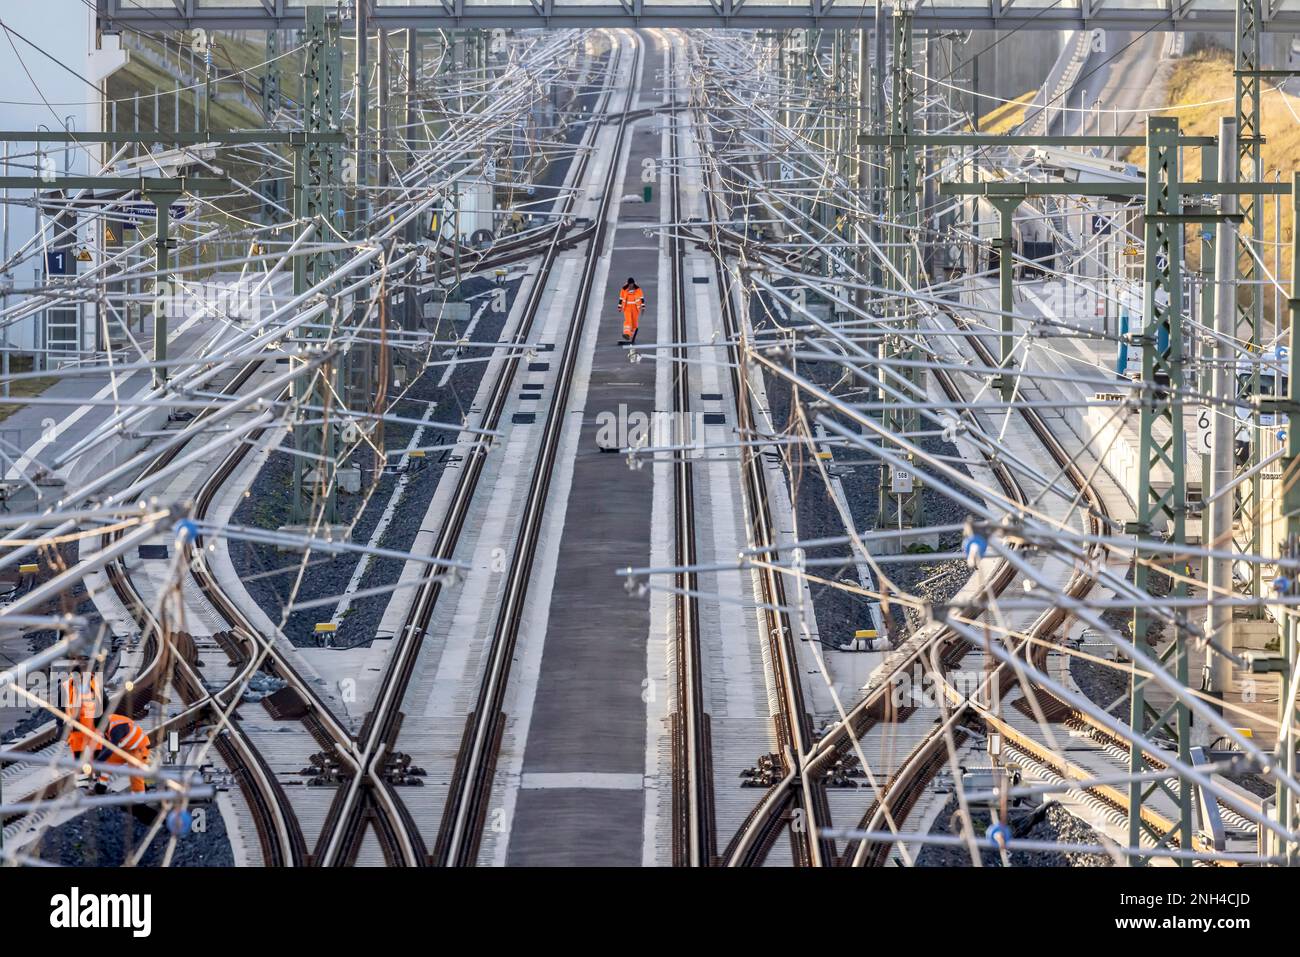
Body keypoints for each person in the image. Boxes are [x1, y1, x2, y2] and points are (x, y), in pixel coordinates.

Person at [92, 714, 151, 795]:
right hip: (125, 747)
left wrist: (97, 761)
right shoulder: (107, 723)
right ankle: (102, 785)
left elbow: (110, 748)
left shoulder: (117, 728)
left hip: (138, 748)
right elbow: (105, 745)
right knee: (108, 762)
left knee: (135, 775)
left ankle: (139, 802)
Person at [61, 656, 101, 764]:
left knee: (96, 758)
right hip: (78, 730)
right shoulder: (66, 686)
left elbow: (103, 703)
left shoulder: (94, 683)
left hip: (92, 728)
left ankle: (97, 777)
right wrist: (60, 725)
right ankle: (85, 776)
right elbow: (61, 708)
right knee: (81, 757)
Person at [618, 277, 645, 343]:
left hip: (635, 308)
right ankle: (627, 334)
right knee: (628, 321)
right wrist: (619, 307)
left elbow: (642, 298)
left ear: (633, 284)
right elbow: (621, 298)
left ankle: (631, 336)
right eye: (629, 284)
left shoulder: (638, 289)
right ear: (628, 284)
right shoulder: (624, 289)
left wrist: (643, 308)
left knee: (634, 323)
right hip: (627, 307)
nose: (630, 286)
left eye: (632, 284)